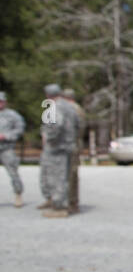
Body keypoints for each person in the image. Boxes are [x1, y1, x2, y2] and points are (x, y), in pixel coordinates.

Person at [39, 83, 80, 218]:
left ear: (48, 95)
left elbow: (56, 125)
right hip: (68, 145)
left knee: (56, 177)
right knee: (64, 176)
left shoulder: (54, 107)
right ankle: (63, 203)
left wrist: (49, 138)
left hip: (57, 147)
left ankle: (58, 206)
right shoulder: (70, 106)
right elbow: (77, 124)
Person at [62, 87, 85, 214]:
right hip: (74, 144)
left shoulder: (73, 109)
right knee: (72, 174)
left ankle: (72, 202)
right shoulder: (76, 108)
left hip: (72, 145)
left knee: (71, 174)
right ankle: (72, 201)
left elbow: (79, 128)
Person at [0, 91, 24, 208]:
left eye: (1, 101)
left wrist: (6, 135)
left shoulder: (13, 115)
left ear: (5, 102)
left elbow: (20, 129)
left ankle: (18, 194)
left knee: (13, 172)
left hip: (6, 148)